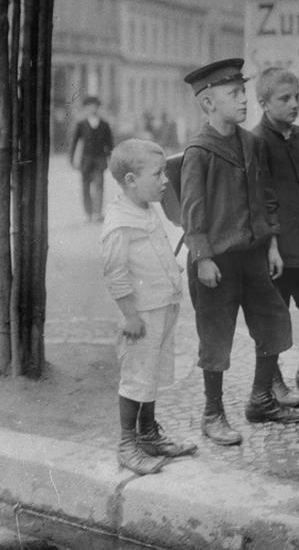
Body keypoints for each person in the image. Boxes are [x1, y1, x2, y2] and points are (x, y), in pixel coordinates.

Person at [179, 58, 299, 447]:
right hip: (215, 261)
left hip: (253, 256)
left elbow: (266, 197)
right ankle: (212, 413)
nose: (243, 100)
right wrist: (202, 258)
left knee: (273, 323)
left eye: (243, 92)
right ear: (208, 104)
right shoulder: (199, 151)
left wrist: (271, 244)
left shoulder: (251, 143)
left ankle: (262, 398)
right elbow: (192, 211)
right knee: (215, 338)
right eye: (233, 94)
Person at [100, 138, 197, 475]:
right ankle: (127, 445)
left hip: (162, 306)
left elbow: (155, 253)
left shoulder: (146, 209)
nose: (166, 181)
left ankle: (148, 434)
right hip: (140, 315)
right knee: (136, 377)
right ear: (130, 180)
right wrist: (129, 315)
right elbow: (115, 272)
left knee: (151, 373)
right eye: (158, 175)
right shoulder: (119, 222)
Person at [253, 67, 299, 400]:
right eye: (285, 98)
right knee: (275, 319)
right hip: (278, 251)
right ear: (264, 103)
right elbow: (263, 199)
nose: (294, 104)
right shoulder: (257, 142)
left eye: (297, 97)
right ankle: (273, 382)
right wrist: (272, 245)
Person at [69, 95, 114, 223]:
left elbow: (110, 144)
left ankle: (97, 213)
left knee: (99, 186)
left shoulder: (104, 124)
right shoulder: (81, 124)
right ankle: (88, 213)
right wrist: (72, 158)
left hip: (100, 160)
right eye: (89, 107)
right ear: (86, 108)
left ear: (98, 108)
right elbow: (74, 142)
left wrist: (111, 159)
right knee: (85, 187)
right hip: (86, 161)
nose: (92, 109)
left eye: (94, 106)